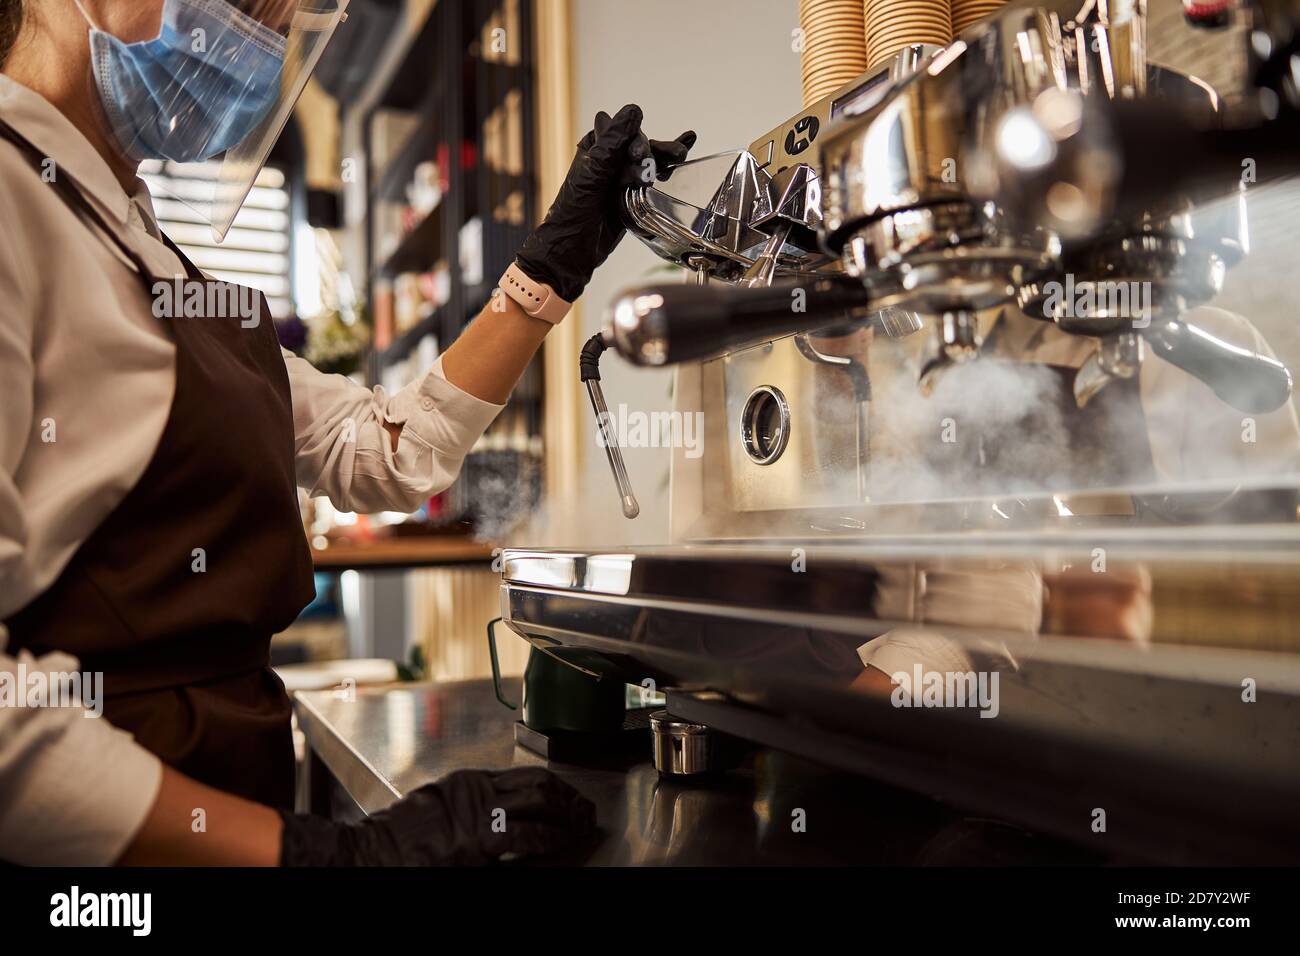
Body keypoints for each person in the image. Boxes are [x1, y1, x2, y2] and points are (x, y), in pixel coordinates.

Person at [0, 0, 694, 865]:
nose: (259, 46)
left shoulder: (136, 242)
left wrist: (549, 270)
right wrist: (315, 859)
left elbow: (389, 453)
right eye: (245, 8)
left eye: (280, 24)